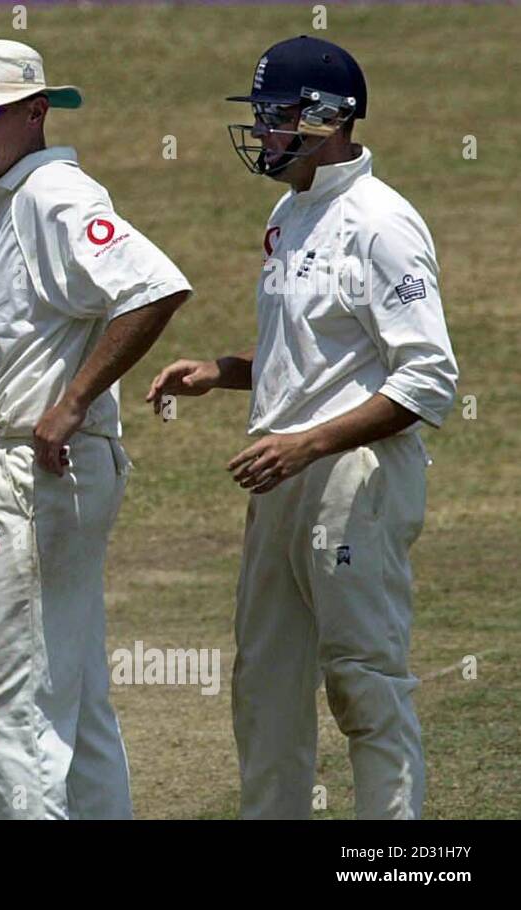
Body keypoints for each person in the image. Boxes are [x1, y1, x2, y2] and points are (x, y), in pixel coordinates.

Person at [147, 35, 458, 819]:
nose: (262, 133)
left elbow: (428, 377)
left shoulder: (382, 223)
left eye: (274, 116)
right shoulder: (289, 214)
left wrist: (309, 443)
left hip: (354, 478)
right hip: (282, 470)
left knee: (362, 675)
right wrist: (225, 371)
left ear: (328, 118)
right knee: (266, 681)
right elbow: (318, 349)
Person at [0, 39, 193, 819]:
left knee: (8, 706)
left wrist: (72, 401)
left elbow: (154, 286)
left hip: (36, 473)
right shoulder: (5, 198)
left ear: (36, 112)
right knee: (75, 700)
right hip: (17, 469)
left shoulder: (52, 194)